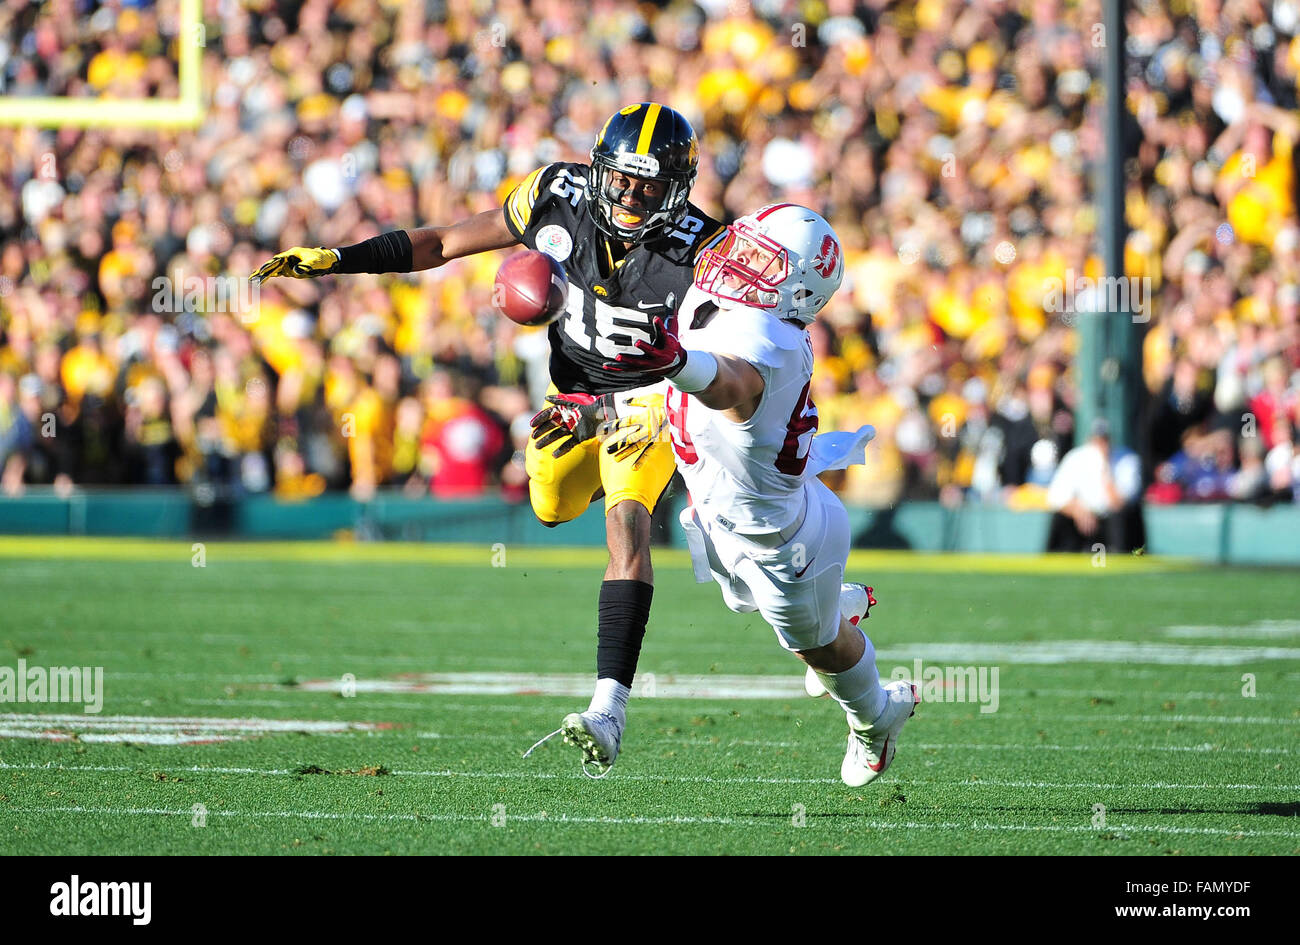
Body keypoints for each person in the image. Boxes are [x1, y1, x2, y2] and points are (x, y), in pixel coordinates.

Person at [251, 103, 725, 775]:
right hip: (573, 401)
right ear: (598, 169)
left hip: (650, 402)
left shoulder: (705, 250)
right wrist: (340, 259)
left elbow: (735, 361)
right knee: (552, 505)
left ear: (677, 189)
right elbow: (442, 243)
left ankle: (608, 709)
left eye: (648, 188)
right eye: (620, 181)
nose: (628, 198)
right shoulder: (556, 193)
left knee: (627, 527)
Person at [596, 204, 918, 786]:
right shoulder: (725, 299)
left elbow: (729, 384)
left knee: (814, 648)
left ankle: (877, 715)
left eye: (762, 261)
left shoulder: (772, 337)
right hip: (733, 511)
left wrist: (671, 359)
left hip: (782, 540)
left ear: (797, 291)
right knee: (743, 599)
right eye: (746, 247)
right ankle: (836, 604)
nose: (739, 261)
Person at [1046, 418, 1145, 552]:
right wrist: (1078, 511)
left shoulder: (1127, 459)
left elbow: (1118, 504)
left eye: (1104, 440)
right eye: (1097, 440)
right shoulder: (1076, 457)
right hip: (1084, 519)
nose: (1100, 445)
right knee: (1060, 519)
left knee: (1120, 519)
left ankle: (1120, 554)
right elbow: (1055, 497)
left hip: (1110, 520)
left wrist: (1106, 468)